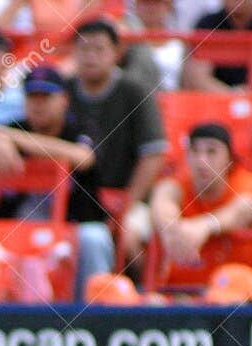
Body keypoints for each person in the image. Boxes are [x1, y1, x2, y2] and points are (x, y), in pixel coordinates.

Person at [0, 64, 114, 296]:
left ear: (64, 99)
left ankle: (92, 313)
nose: (38, 103)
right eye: (32, 97)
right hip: (20, 222)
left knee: (94, 238)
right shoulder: (13, 128)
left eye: (46, 97)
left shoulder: (79, 126)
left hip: (74, 222)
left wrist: (9, 137)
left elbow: (83, 158)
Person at [65, 20, 167, 268]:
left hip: (127, 195)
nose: (90, 57)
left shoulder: (134, 91)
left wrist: (126, 205)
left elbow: (153, 154)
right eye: (84, 49)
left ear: (116, 53)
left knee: (128, 234)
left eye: (99, 49)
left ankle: (140, 295)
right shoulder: (62, 91)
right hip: (73, 198)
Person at [149, 122, 252, 291]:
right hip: (181, 296)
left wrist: (206, 226)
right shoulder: (178, 184)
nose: (202, 160)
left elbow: (244, 209)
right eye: (195, 151)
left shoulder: (249, 183)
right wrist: (170, 230)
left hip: (240, 299)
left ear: (229, 158)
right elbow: (163, 198)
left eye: (211, 151)